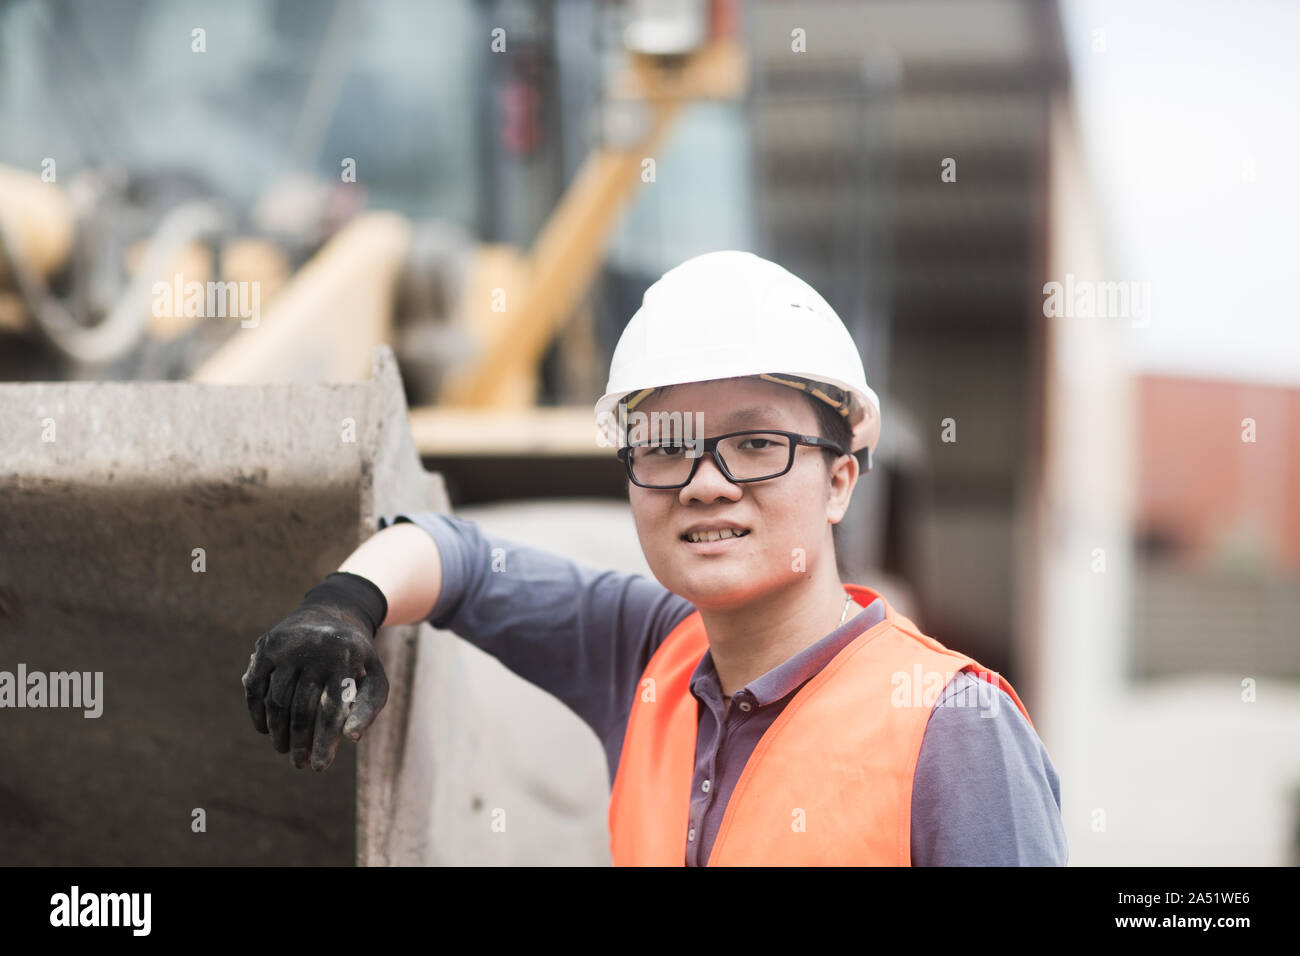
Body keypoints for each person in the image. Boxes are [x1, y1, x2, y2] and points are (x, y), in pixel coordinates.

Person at [242, 250, 1068, 866]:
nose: (706, 485)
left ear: (839, 480)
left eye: (755, 444)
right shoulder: (646, 653)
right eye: (668, 447)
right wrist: (345, 604)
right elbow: (461, 561)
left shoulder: (953, 727)